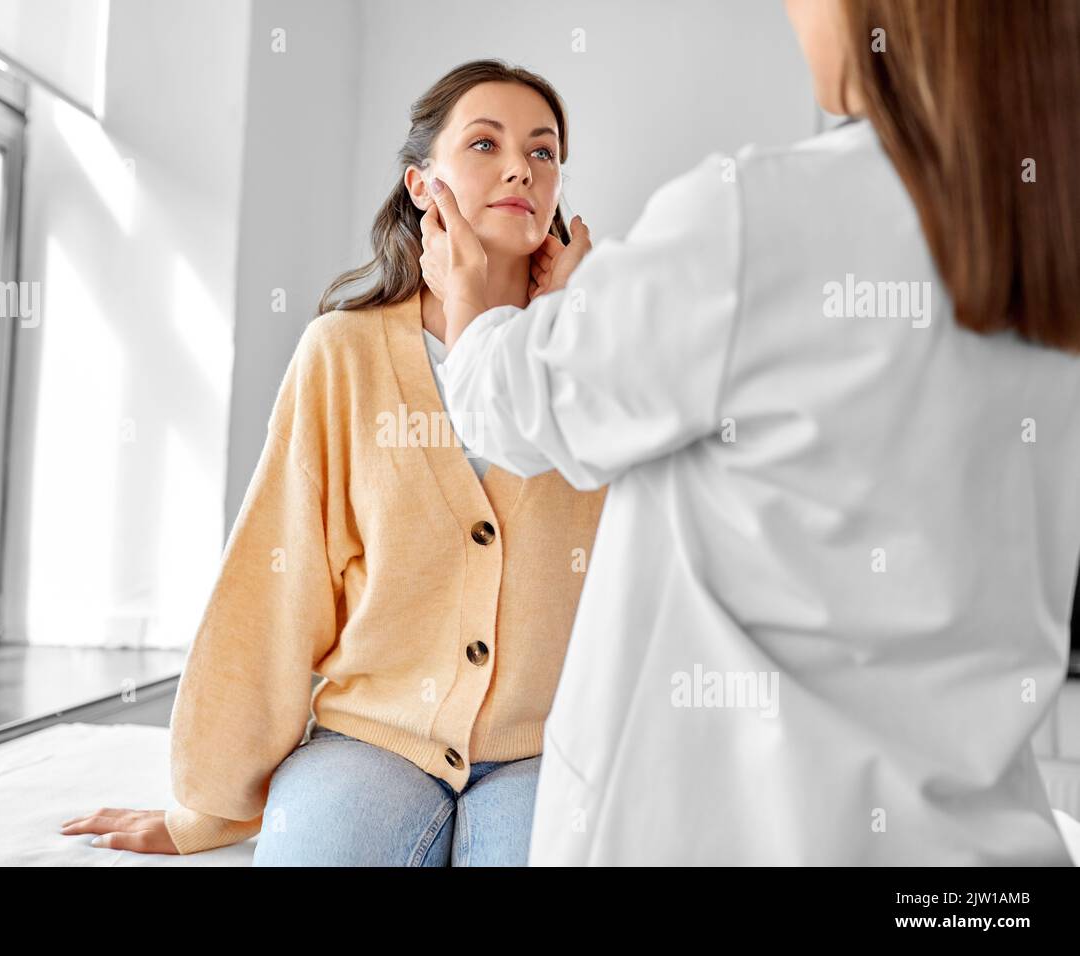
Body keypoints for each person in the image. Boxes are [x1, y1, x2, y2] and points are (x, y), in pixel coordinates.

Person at [427, 0, 1080, 864]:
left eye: (542, 149)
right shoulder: (1049, 238)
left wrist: (475, 319)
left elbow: (513, 409)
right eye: (485, 144)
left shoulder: (758, 218)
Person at [58, 59, 607, 864]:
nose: (521, 166)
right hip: (373, 739)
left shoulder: (601, 354)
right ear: (422, 186)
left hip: (547, 746)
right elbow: (277, 579)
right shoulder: (344, 354)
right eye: (485, 144)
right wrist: (207, 805)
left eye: (545, 151)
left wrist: (582, 327)